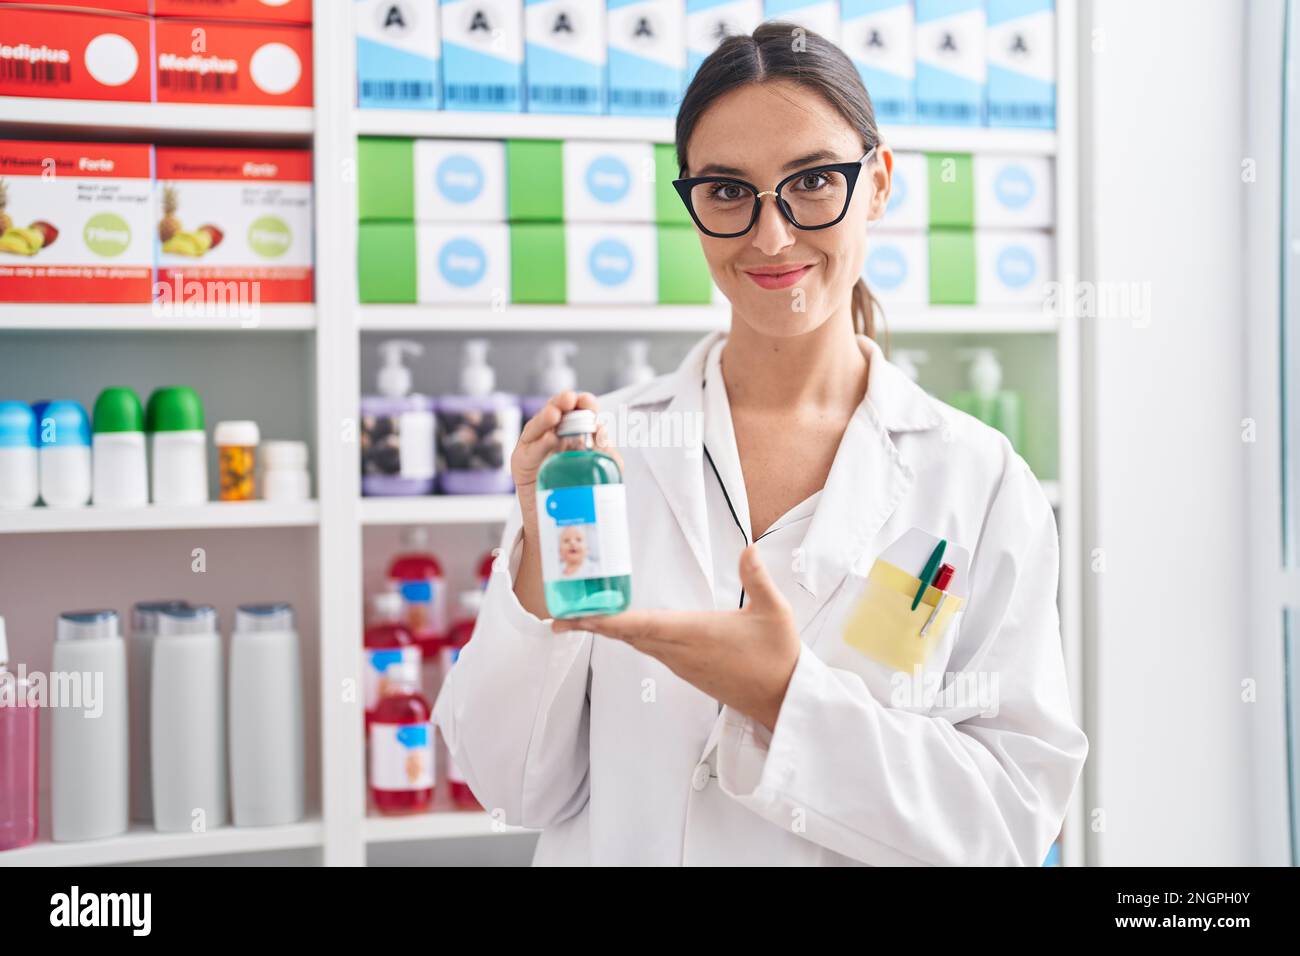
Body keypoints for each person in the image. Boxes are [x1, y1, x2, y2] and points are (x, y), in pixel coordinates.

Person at [434, 22, 1088, 866]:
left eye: (814, 181)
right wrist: (535, 561)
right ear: (693, 203)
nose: (771, 237)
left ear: (877, 182)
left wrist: (786, 700)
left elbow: (1010, 820)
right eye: (728, 191)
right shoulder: (602, 459)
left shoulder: (980, 480)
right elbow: (510, 786)